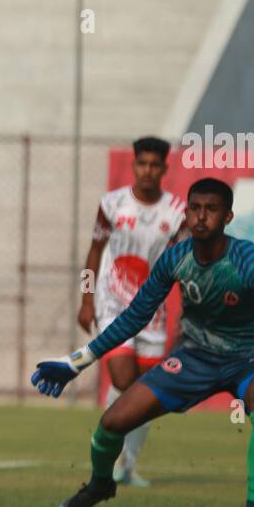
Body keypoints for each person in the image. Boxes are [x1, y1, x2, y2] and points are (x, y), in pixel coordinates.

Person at [31, 177, 254, 507]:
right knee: (111, 423)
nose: (201, 217)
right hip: (196, 355)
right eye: (195, 208)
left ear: (228, 216)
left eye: (211, 209)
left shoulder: (249, 261)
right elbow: (135, 317)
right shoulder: (175, 258)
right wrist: (77, 362)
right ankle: (101, 485)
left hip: (252, 358)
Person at [75, 135, 185, 487]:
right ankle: (105, 447)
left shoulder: (178, 212)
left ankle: (126, 464)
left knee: (146, 392)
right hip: (113, 304)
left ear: (164, 168)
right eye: (142, 163)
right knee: (123, 379)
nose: (148, 170)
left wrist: (186, 313)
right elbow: (94, 251)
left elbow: (184, 266)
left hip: (153, 310)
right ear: (134, 165)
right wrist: (87, 298)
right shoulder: (112, 204)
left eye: (155, 165)